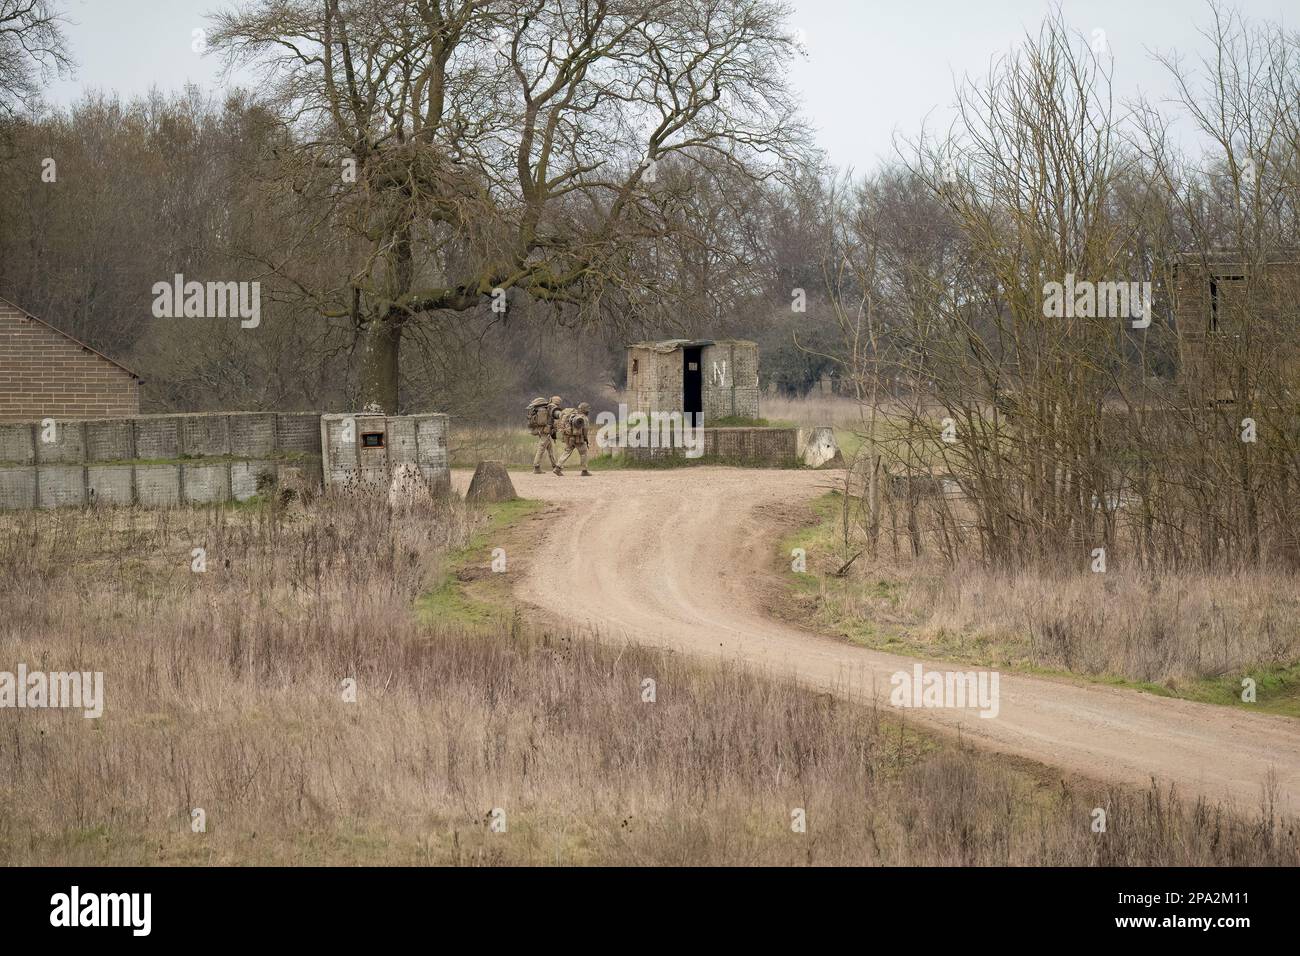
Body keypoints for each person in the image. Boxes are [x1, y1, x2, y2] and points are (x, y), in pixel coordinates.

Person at [554, 401, 592, 477]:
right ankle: (584, 470)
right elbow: (585, 430)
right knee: (583, 453)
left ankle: (557, 467)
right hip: (579, 439)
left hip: (569, 438)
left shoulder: (572, 416)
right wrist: (585, 439)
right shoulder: (584, 418)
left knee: (567, 452)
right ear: (585, 410)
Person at [531, 394, 564, 473]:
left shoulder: (547, 406)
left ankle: (554, 465)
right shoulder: (553, 407)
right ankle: (536, 466)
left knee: (549, 449)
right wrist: (563, 415)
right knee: (541, 448)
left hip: (542, 430)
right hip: (545, 431)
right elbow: (557, 414)